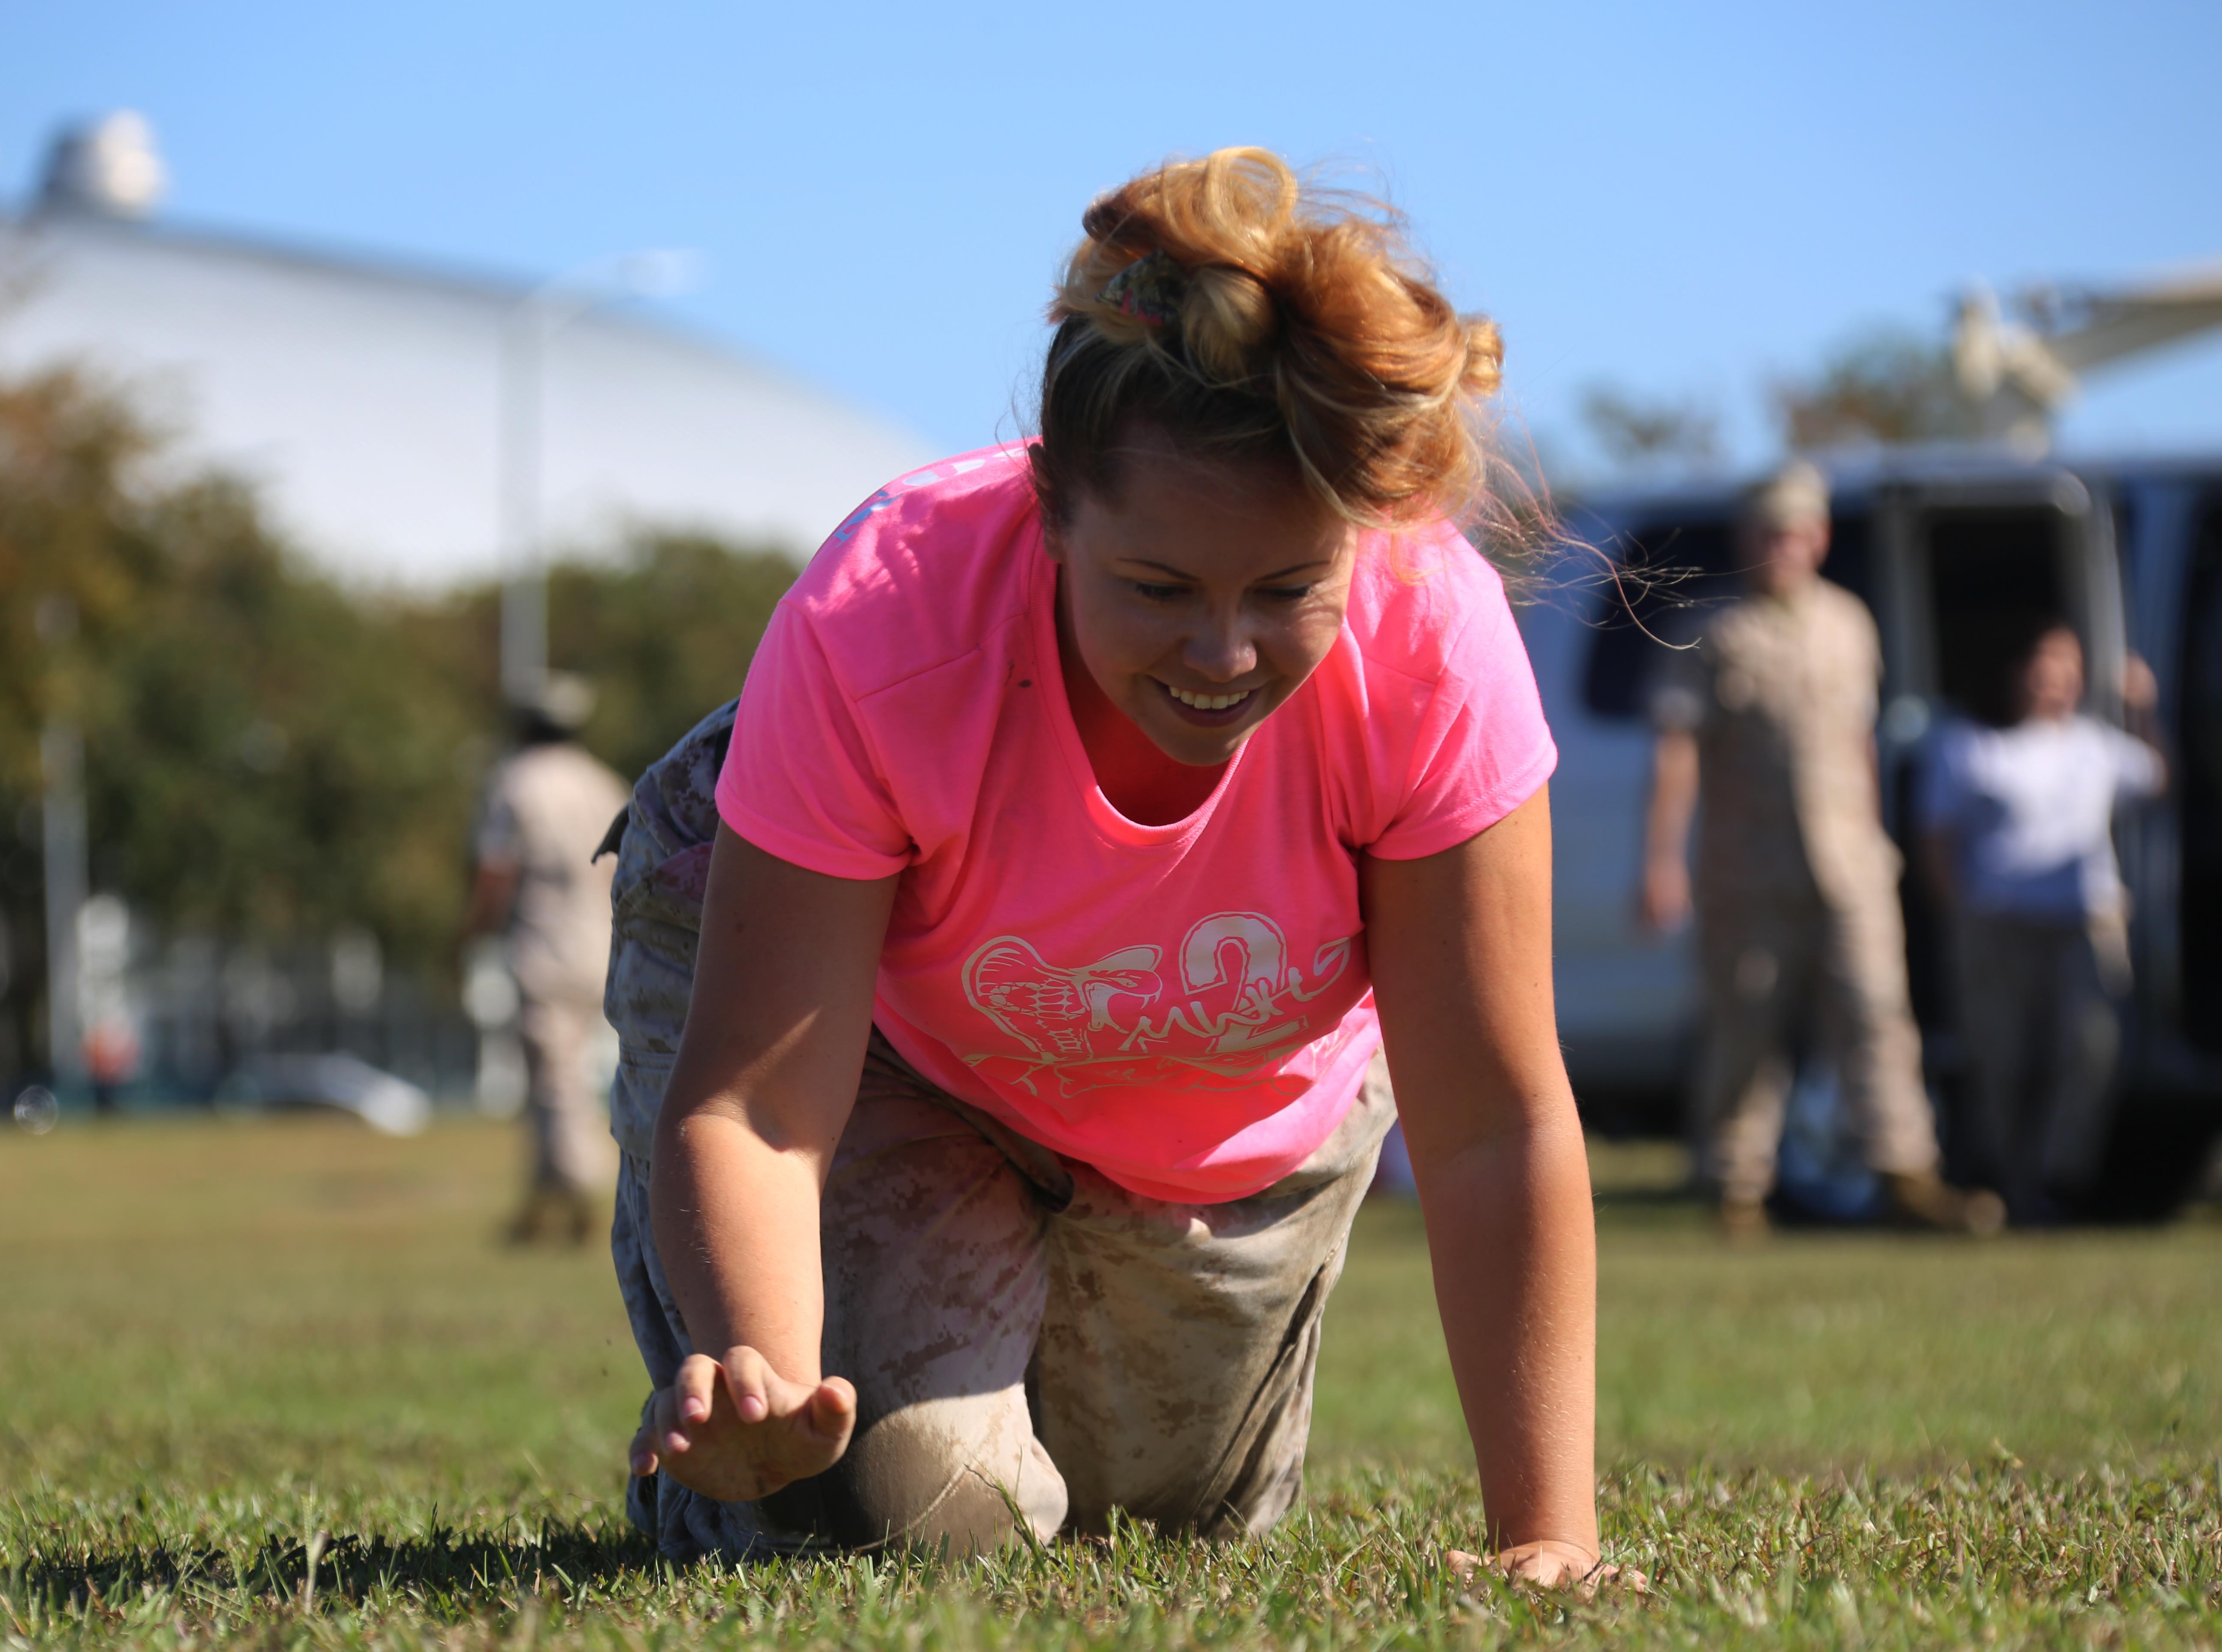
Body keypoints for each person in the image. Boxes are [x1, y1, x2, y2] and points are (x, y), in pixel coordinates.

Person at [603, 147, 1635, 1588]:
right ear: (1049, 508)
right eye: (1156, 590)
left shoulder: (1434, 643)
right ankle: (729, 1491)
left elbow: (1491, 1127)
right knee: (920, 1510)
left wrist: (1548, 1539)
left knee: (1162, 1528)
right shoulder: (887, 618)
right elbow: (764, 1106)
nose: (1221, 657)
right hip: (892, 1055)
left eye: (1287, 593)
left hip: (1211, 1094)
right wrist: (769, 1389)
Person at [1638, 462, 2000, 1239]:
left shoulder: (1850, 622)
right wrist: (1663, 861)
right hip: (1750, 866)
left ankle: (1908, 1172)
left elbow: (1861, 743)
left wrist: (1876, 842)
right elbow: (1677, 754)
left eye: (1799, 533)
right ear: (1748, 538)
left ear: (1821, 537)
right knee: (1748, 1024)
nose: (1784, 547)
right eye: (1770, 533)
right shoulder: (1712, 630)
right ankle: (1734, 1188)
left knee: (1876, 1014)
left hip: (1849, 864)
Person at [1919, 621, 2165, 1224]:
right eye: (2046, 660)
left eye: (2070, 662)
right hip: (1997, 923)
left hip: (2084, 924)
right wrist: (1963, 917)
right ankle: (2011, 1186)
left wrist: (2144, 710)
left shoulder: (2097, 745)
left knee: (2088, 1050)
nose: (2058, 676)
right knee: (2002, 1059)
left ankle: (2060, 1179)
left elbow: (2160, 780)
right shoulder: (1969, 744)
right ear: (2015, 668)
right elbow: (1936, 842)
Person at [466, 672, 631, 1245]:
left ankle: (588, 1191)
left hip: (546, 945)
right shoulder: (603, 782)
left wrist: (473, 931)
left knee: (554, 1079)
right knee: (568, 1076)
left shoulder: (518, 782)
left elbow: (496, 870)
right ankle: (542, 1207)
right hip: (608, 944)